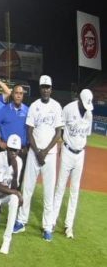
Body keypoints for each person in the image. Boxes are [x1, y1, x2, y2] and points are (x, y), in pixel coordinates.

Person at [16, 75, 63, 238]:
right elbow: (29, 131)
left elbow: (58, 132)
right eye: (43, 86)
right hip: (34, 154)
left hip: (49, 154)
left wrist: (45, 151)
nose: (45, 89)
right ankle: (21, 221)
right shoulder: (34, 106)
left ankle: (47, 226)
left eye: (48, 87)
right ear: (40, 88)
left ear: (51, 89)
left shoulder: (57, 107)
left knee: (49, 192)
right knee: (27, 188)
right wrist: (37, 151)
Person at [46, 89, 93, 239]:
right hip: (67, 151)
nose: (86, 108)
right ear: (79, 99)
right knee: (60, 188)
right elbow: (60, 129)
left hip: (80, 154)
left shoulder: (89, 113)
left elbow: (86, 134)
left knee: (75, 190)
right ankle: (52, 221)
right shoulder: (68, 109)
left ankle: (68, 226)